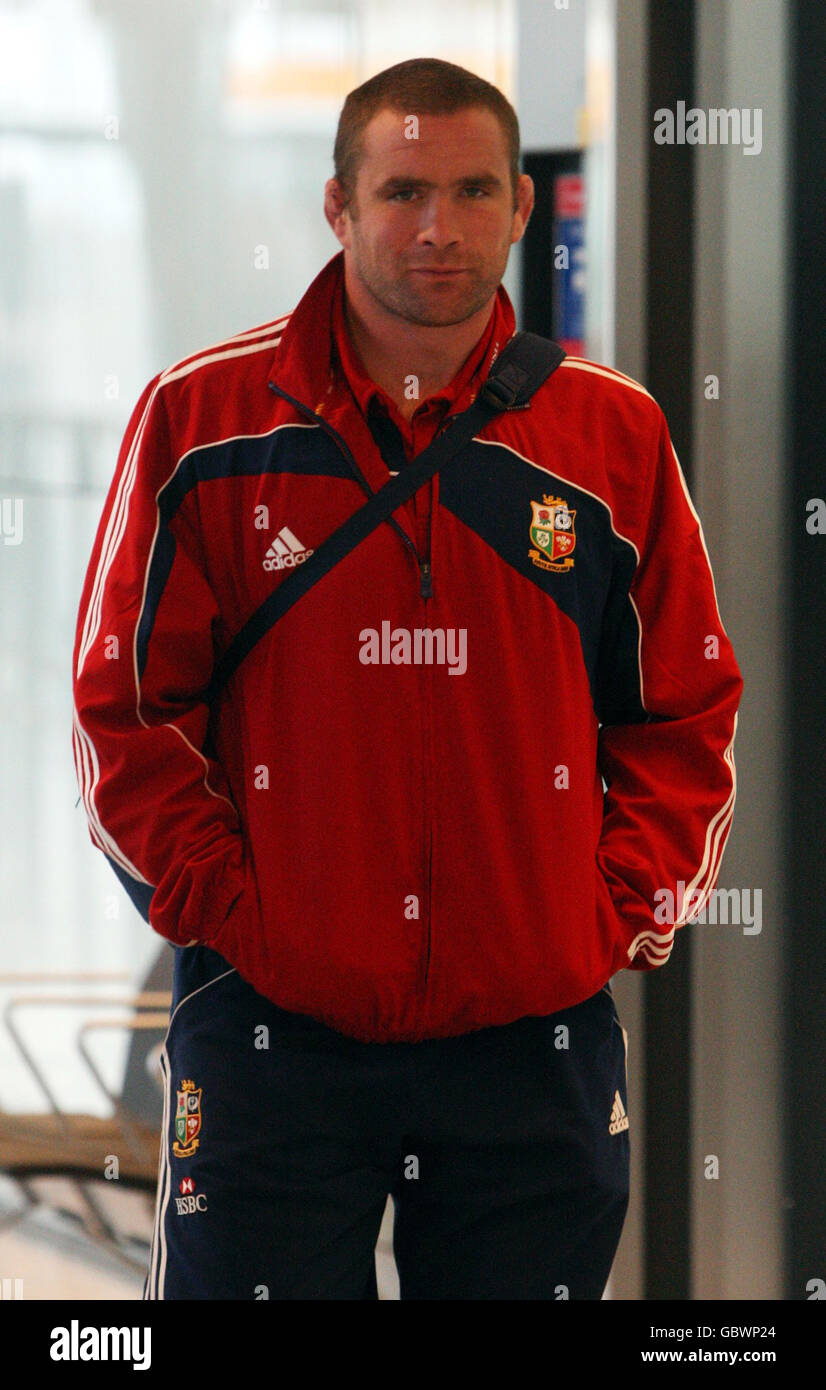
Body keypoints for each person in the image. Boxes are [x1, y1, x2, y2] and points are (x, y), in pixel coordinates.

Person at [71, 57, 743, 1300]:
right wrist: (236, 914)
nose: (438, 227)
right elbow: (122, 710)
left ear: (519, 210)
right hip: (277, 1038)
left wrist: (604, 912)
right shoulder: (204, 422)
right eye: (402, 192)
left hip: (527, 1044)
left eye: (474, 189)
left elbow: (684, 706)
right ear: (337, 205)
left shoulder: (609, 432)